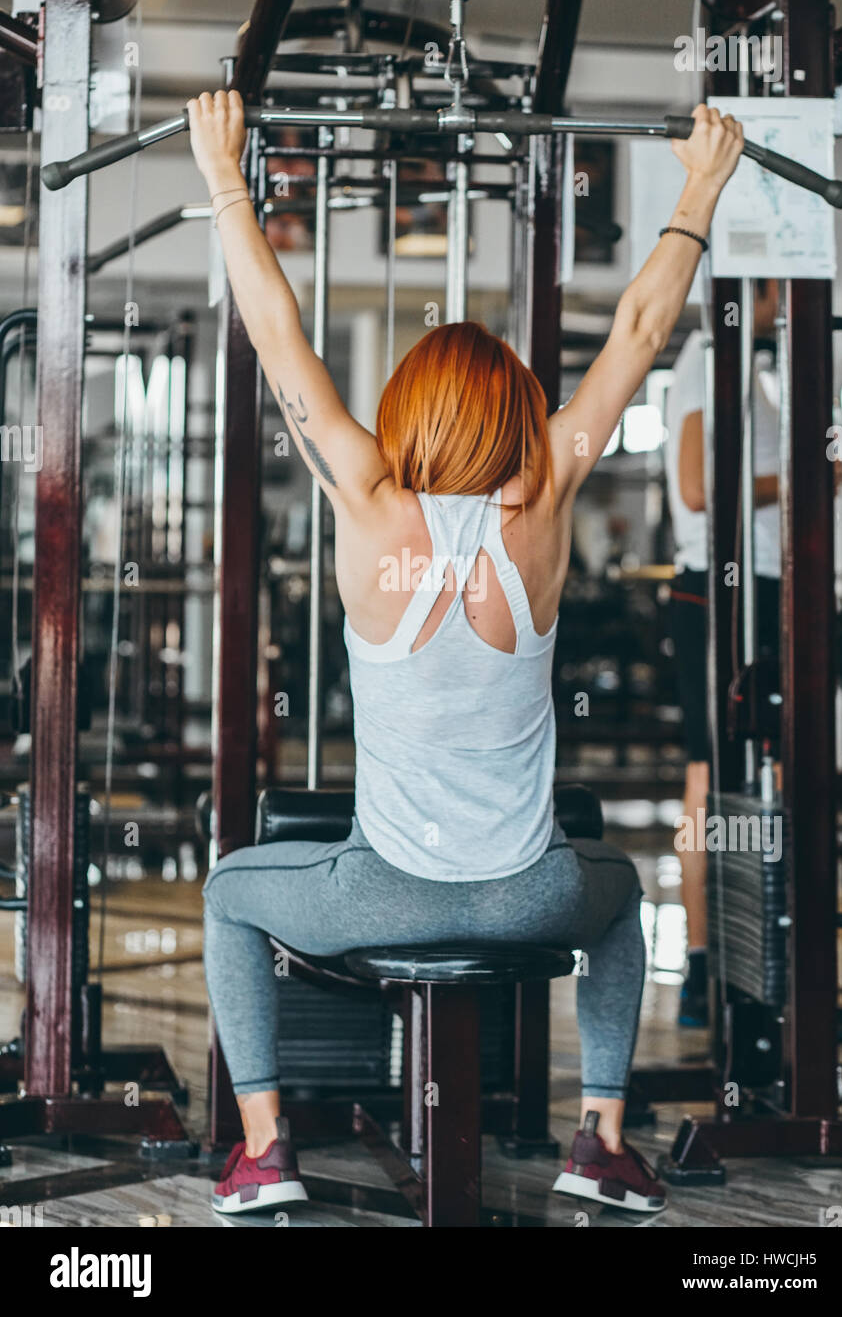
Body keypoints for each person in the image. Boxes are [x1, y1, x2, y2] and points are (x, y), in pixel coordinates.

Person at [188, 90, 744, 1216]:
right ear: (517, 418)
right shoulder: (543, 505)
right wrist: (700, 183)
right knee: (624, 889)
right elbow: (639, 332)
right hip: (531, 894)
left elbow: (278, 338)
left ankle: (262, 1150)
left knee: (227, 894)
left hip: (385, 893)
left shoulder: (367, 500)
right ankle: (599, 1138)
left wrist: (226, 176)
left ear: (408, 412)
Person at [664, 281, 781, 1027]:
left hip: (756, 588)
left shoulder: (746, 363)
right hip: (725, 589)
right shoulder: (708, 359)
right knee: (711, 778)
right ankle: (707, 971)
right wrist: (805, 482)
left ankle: (754, 976)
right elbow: (698, 487)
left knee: (751, 777)